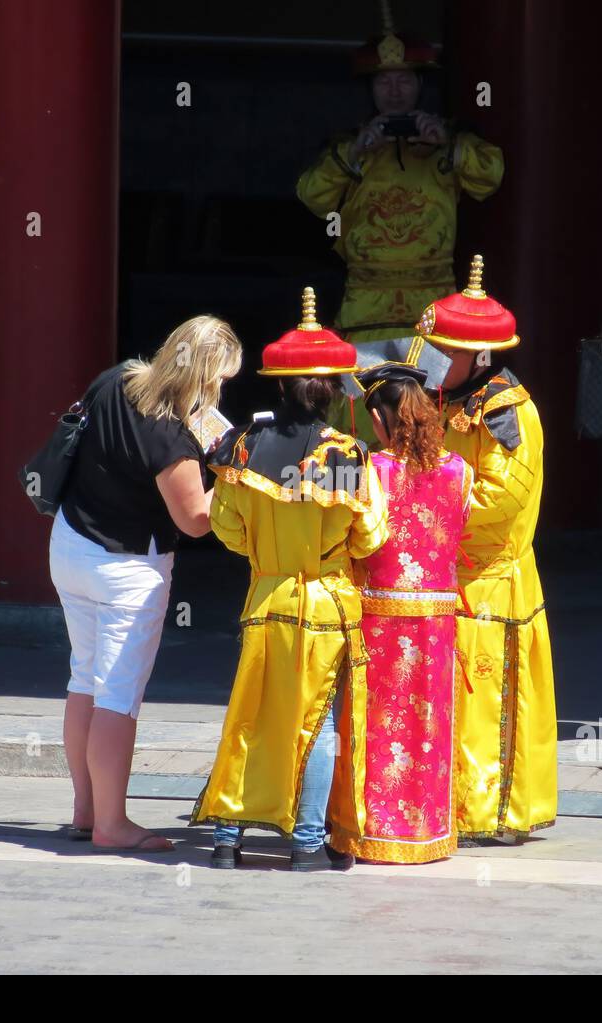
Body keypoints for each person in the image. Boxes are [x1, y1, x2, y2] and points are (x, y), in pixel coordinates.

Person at [191, 289, 389, 871]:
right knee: (317, 726)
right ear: (331, 389)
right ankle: (305, 844)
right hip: (327, 606)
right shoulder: (349, 454)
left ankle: (228, 836)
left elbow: (225, 528)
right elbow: (371, 536)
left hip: (266, 596)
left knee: (249, 716)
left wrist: (266, 549)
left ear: (279, 385)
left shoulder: (244, 448)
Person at [50, 315, 242, 851]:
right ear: (202, 375)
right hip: (127, 569)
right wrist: (233, 477)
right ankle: (113, 825)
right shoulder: (171, 437)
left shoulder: (116, 379)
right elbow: (195, 520)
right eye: (220, 378)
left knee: (84, 678)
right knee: (118, 696)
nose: (223, 387)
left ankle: (86, 812)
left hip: (70, 545)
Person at [296, 7, 503, 443]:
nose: (394, 90)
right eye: (384, 82)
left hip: (431, 303)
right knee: (357, 409)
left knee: (428, 409)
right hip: (366, 302)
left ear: (421, 86)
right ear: (370, 90)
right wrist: (355, 154)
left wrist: (447, 142)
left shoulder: (446, 139)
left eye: (404, 80)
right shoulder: (350, 147)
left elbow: (491, 176)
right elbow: (310, 195)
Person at [418, 255, 558, 843]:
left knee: (487, 700)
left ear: (477, 357)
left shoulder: (505, 412)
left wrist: (424, 512)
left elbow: (499, 500)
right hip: (447, 575)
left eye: (439, 352)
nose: (427, 362)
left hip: (488, 579)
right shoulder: (444, 400)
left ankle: (492, 814)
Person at [329, 359, 470, 864]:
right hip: (437, 621)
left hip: (380, 618)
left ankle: (372, 829)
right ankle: (427, 831)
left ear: (384, 417)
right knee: (429, 725)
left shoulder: (373, 470)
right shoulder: (460, 471)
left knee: (378, 728)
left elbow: (360, 543)